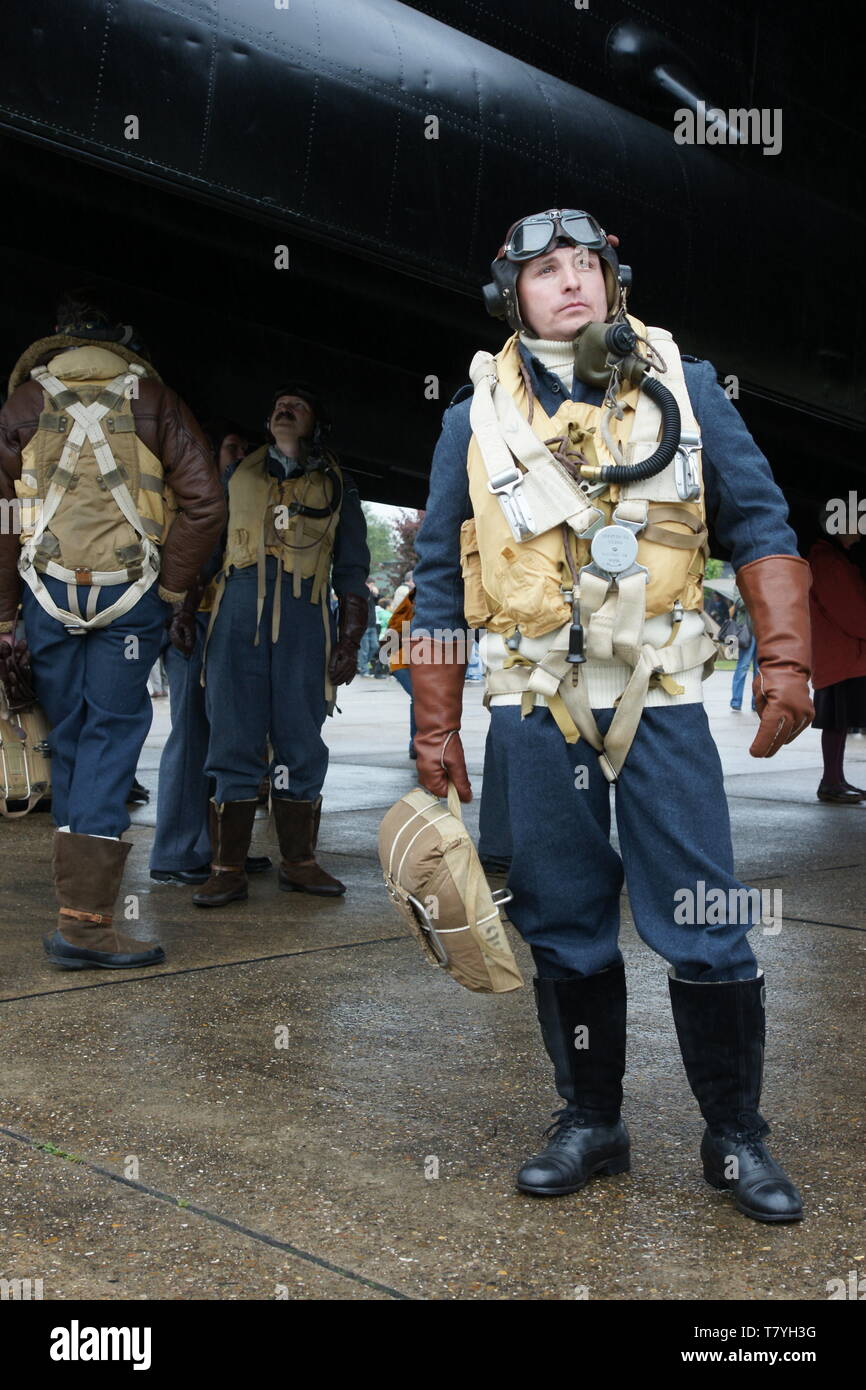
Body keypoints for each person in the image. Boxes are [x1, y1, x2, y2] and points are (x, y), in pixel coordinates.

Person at [410, 208, 813, 1223]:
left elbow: (759, 517)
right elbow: (434, 577)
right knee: (561, 923)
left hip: (663, 691)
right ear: (514, 294)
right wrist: (432, 722)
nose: (571, 282)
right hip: (534, 704)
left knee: (706, 918)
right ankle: (591, 1122)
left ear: (610, 282)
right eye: (546, 270)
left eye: (585, 265)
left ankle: (734, 1138)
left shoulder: (686, 386)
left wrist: (785, 660)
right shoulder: (473, 417)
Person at [0, 289, 225, 968]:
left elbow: (4, 520)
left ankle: (78, 916)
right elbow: (206, 504)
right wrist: (170, 589)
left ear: (59, 342)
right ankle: (87, 928)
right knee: (111, 738)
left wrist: (7, 614)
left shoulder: (21, 407)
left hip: (46, 598)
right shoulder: (154, 400)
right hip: (130, 604)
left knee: (71, 740)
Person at [192, 384, 369, 907]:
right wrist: (182, 609)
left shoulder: (338, 485)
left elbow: (353, 569)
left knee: (301, 735)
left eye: (297, 406)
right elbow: (206, 548)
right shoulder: (236, 476)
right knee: (232, 734)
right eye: (277, 407)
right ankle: (227, 866)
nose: (283, 412)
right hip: (236, 616)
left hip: (303, 618)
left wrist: (351, 638)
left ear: (315, 423)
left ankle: (300, 862)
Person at [149, 421, 272, 883]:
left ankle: (221, 848)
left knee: (227, 738)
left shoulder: (245, 491)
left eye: (246, 448)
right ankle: (176, 854)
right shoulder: (202, 494)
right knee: (192, 735)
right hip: (195, 622)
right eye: (231, 447)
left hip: (227, 624)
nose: (240, 455)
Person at [807, 515, 866, 803]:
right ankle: (831, 781)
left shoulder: (832, 558)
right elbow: (850, 609)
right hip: (840, 654)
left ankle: (834, 779)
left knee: (839, 721)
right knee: (836, 720)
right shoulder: (828, 560)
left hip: (841, 653)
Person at [384, 583, 416, 757]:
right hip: (401, 662)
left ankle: (417, 743)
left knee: (419, 699)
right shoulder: (409, 605)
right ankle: (416, 743)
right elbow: (393, 627)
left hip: (414, 661)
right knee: (418, 697)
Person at [729, 595, 757, 712]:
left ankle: (757, 703)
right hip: (746, 631)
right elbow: (739, 603)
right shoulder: (741, 581)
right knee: (743, 667)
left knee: (760, 670)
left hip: (762, 631)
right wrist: (755, 595)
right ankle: (736, 701)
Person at [357, 580, 381, 676]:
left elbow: (379, 601)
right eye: (371, 585)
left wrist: (376, 593)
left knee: (375, 646)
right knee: (364, 649)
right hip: (363, 625)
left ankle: (361, 664)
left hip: (372, 624)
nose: (372, 587)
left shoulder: (372, 595)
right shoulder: (360, 593)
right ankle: (364, 670)